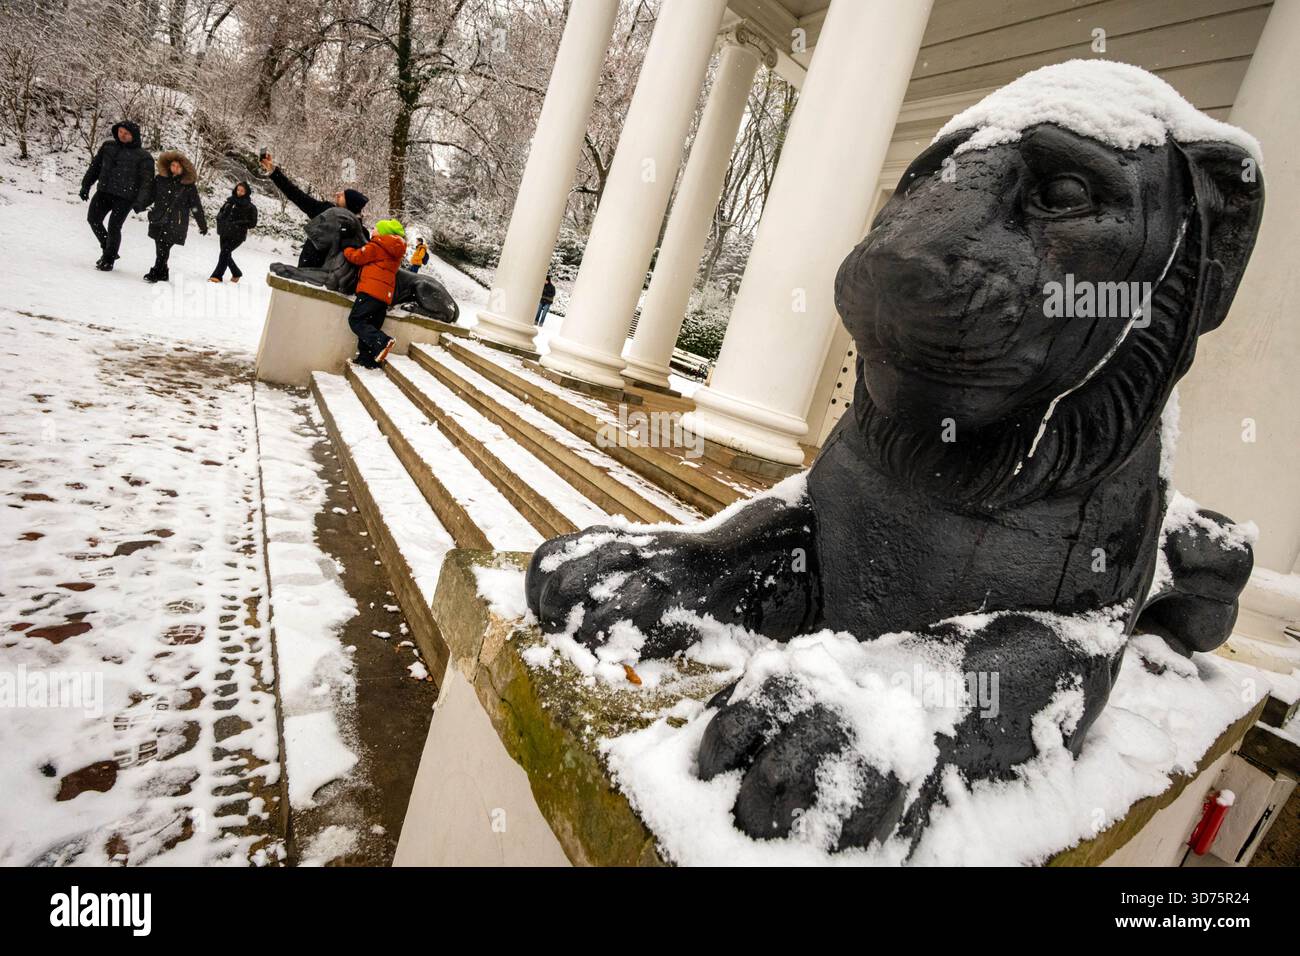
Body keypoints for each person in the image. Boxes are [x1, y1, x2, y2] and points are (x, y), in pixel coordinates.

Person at [259, 151, 368, 267]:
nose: (337, 194)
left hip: (316, 275)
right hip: (318, 277)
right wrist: (274, 172)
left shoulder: (355, 231)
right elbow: (296, 195)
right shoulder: (330, 213)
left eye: (342, 195)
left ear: (348, 204)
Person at [80, 120, 153, 271]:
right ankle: (109, 249)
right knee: (93, 219)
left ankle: (108, 259)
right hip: (104, 191)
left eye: (126, 133)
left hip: (125, 197)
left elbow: (147, 182)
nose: (122, 135)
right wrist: (86, 185)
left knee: (114, 226)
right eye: (120, 132)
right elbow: (95, 167)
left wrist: (141, 202)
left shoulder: (144, 157)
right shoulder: (108, 147)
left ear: (134, 136)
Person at [342, 219, 406, 368]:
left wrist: (346, 249)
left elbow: (358, 257)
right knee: (370, 325)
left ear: (383, 232)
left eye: (376, 229)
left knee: (356, 320)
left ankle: (382, 341)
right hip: (384, 297)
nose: (373, 231)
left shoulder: (378, 245)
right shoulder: (395, 251)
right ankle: (367, 360)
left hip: (370, 291)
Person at [143, 151, 207, 283]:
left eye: (178, 166)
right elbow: (151, 195)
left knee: (163, 247)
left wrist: (202, 225)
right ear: (168, 166)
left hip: (176, 222)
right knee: (160, 246)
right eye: (173, 165)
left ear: (183, 168)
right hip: (158, 217)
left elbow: (195, 206)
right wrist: (139, 205)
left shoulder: (188, 186)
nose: (175, 168)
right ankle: (163, 271)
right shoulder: (160, 179)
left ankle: (156, 271)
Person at [210, 181, 258, 283]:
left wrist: (239, 223)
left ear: (247, 192)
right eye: (238, 190)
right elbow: (221, 212)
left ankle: (217, 276)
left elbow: (252, 223)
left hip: (238, 235)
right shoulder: (229, 201)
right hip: (224, 232)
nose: (239, 192)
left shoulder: (250, 207)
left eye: (242, 191)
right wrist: (220, 218)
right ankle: (236, 273)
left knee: (225, 252)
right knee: (225, 254)